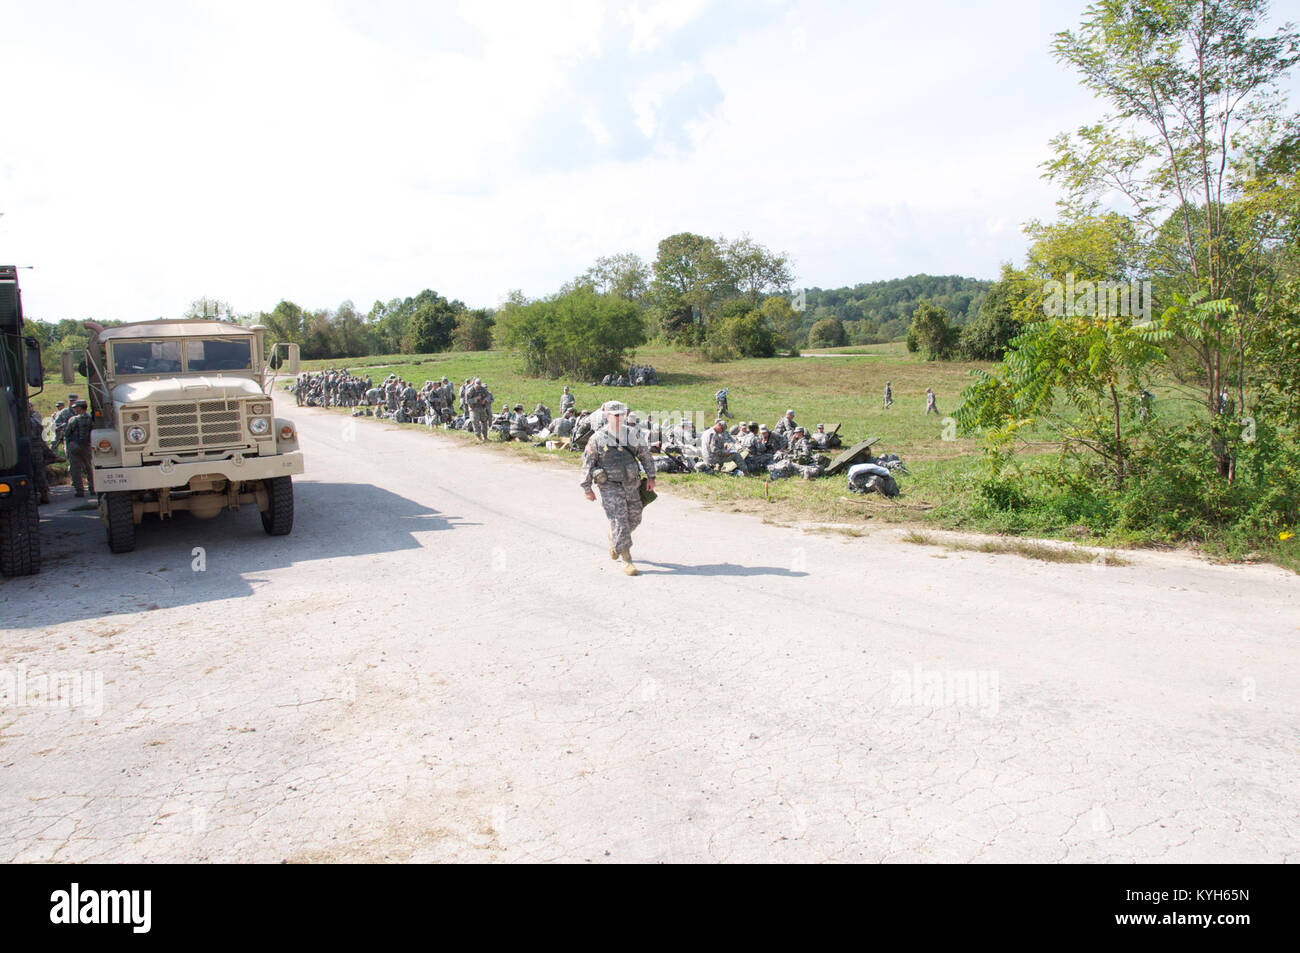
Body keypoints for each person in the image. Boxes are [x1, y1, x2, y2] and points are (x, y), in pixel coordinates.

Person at [580, 400, 655, 576]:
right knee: (620, 520)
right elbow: (587, 463)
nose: (619, 418)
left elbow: (645, 455)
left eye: (622, 414)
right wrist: (586, 488)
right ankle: (626, 559)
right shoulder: (598, 438)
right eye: (615, 415)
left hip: (631, 482)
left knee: (635, 517)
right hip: (609, 486)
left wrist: (651, 476)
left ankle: (615, 539)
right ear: (607, 416)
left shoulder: (632, 434)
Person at [64, 400, 95, 498]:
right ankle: (93, 488)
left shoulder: (73, 419)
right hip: (86, 446)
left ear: (80, 408)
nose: (74, 409)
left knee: (75, 469)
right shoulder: (90, 419)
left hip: (74, 446)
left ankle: (79, 490)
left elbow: (67, 433)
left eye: (75, 407)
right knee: (89, 468)